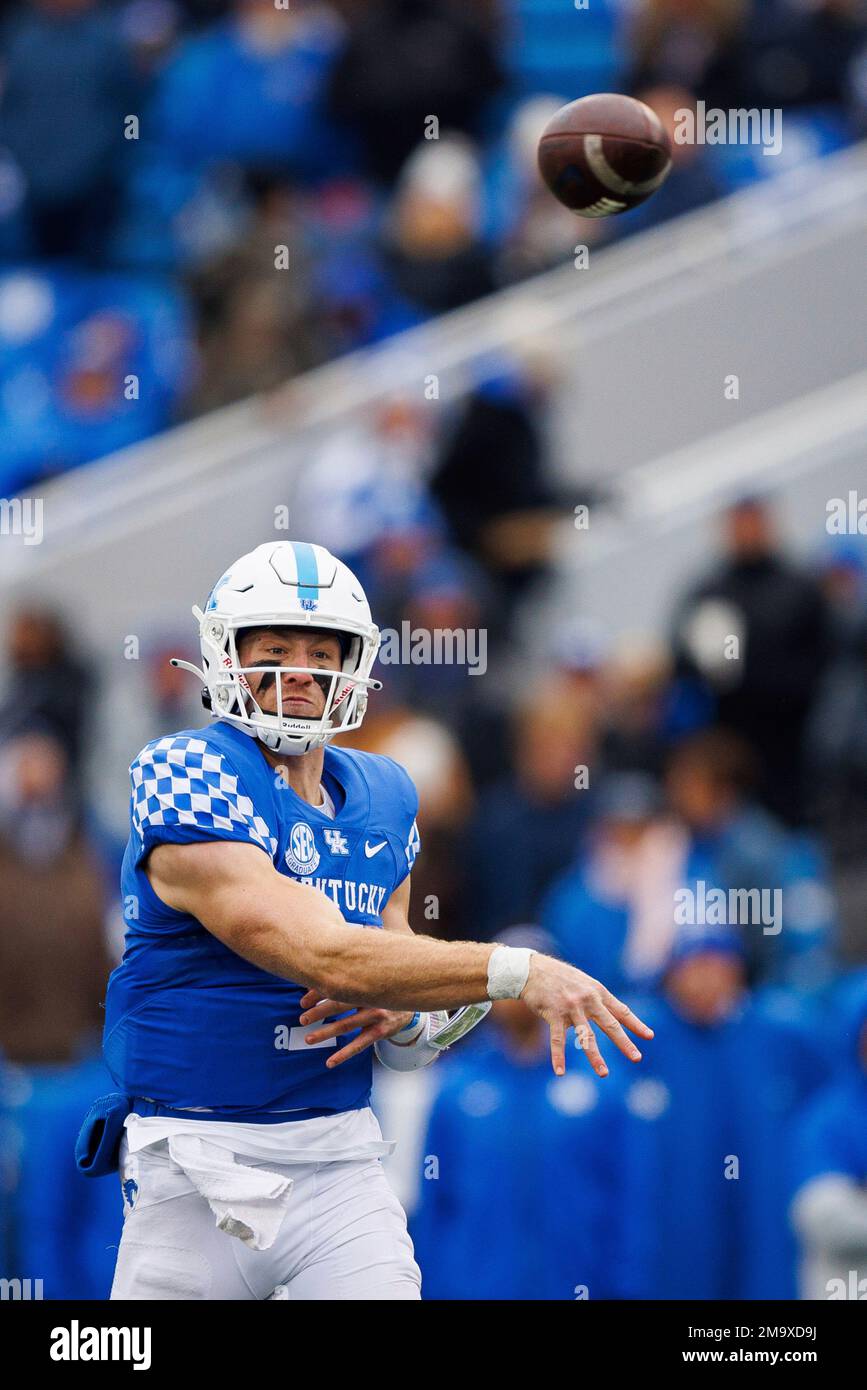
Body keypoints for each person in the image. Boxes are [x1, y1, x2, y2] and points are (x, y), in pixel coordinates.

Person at [86, 540, 652, 1301]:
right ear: (225, 655)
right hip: (193, 1164)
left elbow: (392, 973)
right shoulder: (189, 772)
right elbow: (324, 954)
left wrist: (415, 1018)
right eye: (274, 647)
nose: (297, 669)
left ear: (354, 667)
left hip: (338, 1163)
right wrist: (514, 970)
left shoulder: (383, 792)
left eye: (321, 650)